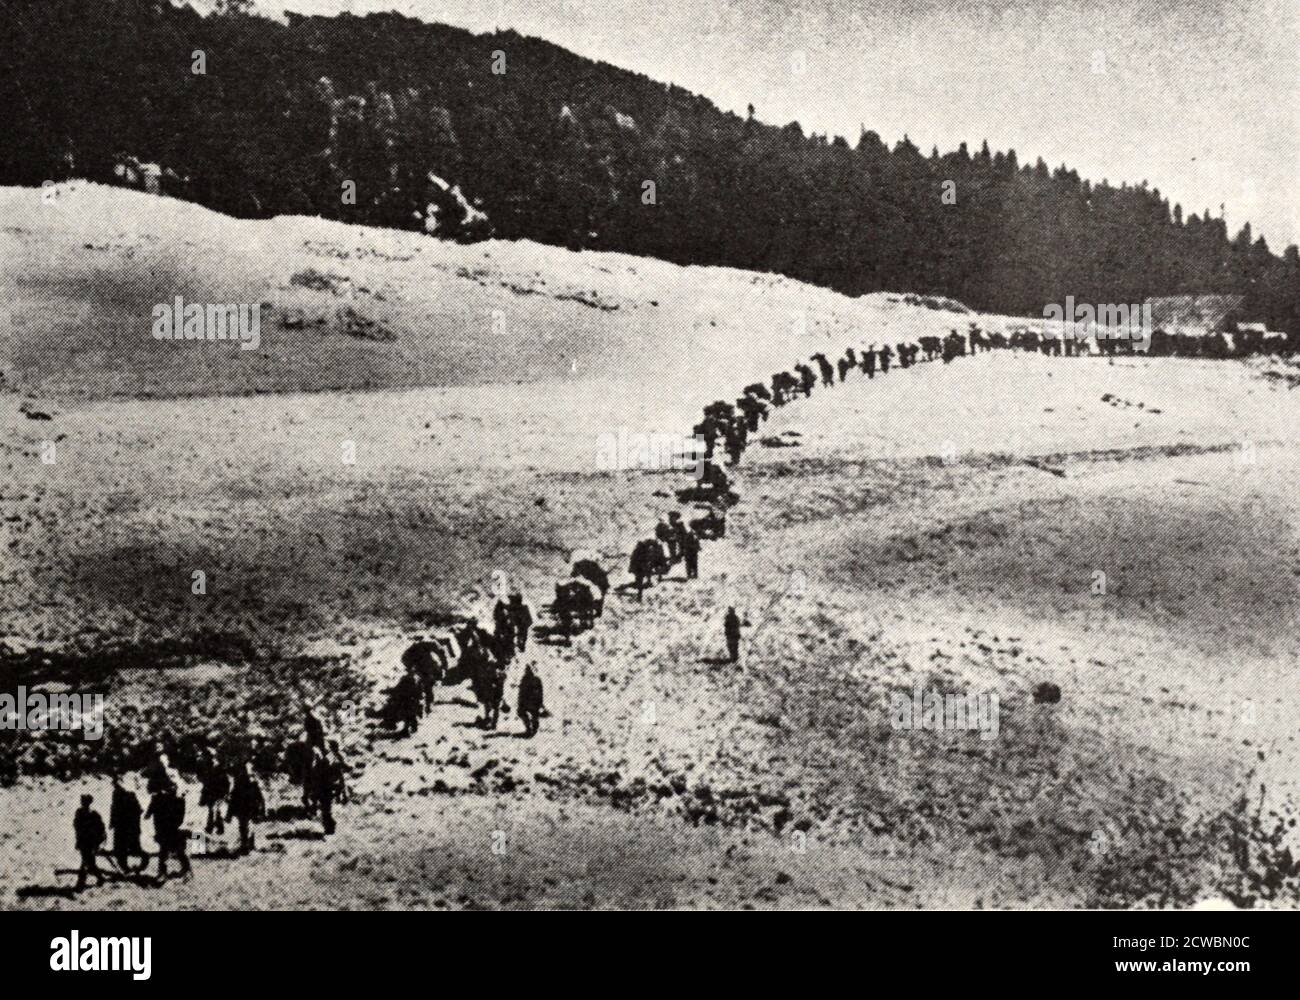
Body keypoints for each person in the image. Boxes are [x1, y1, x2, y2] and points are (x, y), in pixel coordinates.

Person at [146, 781, 190, 879]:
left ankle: (168, 871)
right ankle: (167, 871)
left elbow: (147, 815)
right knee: (170, 851)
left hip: (167, 831)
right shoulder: (174, 801)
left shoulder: (160, 800)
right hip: (167, 831)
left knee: (170, 851)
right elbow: (179, 819)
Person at [110, 773, 147, 874]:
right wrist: (112, 822)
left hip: (127, 827)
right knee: (121, 849)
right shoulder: (116, 794)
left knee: (132, 848)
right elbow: (114, 809)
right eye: (114, 783)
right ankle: (125, 867)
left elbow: (138, 811)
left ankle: (142, 862)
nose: (115, 785)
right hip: (122, 826)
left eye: (117, 783)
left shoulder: (129, 795)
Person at [227, 761, 265, 855]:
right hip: (247, 809)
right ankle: (247, 845)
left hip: (247, 809)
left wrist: (229, 814)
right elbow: (260, 799)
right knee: (245, 827)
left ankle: (246, 846)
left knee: (245, 827)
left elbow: (232, 800)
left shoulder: (247, 784)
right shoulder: (250, 783)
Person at [74, 794, 107, 890]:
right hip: (83, 841)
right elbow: (77, 827)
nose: (83, 803)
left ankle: (81, 883)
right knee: (89, 863)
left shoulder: (94, 815)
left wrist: (98, 842)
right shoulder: (79, 812)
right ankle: (100, 878)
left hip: (90, 842)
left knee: (86, 862)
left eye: (85, 802)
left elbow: (101, 829)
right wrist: (78, 840)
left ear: (89, 803)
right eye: (82, 801)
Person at [198, 749, 230, 836]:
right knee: (211, 810)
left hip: (215, 792)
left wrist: (225, 792)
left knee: (215, 810)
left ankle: (215, 828)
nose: (202, 758)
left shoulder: (216, 767)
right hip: (210, 792)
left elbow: (225, 781)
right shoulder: (206, 767)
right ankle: (213, 827)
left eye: (203, 757)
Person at [306, 747, 337, 835]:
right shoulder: (318, 765)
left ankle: (330, 828)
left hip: (325, 791)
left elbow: (325, 779)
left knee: (325, 811)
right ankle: (329, 827)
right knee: (325, 811)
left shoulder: (321, 765)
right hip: (323, 791)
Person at [518, 664, 544, 738]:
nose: (527, 671)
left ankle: (533, 730)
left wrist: (540, 703)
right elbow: (521, 691)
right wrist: (520, 701)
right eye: (526, 670)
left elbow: (540, 692)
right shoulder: (524, 679)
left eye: (528, 669)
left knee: (534, 716)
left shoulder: (536, 679)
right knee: (521, 713)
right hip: (526, 701)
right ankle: (529, 729)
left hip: (534, 701)